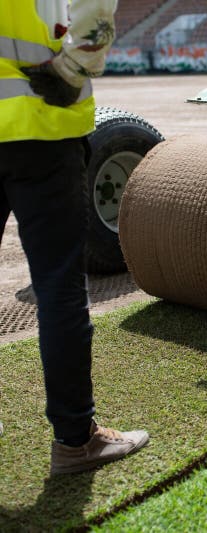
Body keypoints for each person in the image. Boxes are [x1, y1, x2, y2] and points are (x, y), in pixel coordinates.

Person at [0, 0, 149, 474]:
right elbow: (94, 17)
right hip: (38, 125)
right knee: (59, 284)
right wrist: (70, 69)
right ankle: (75, 439)